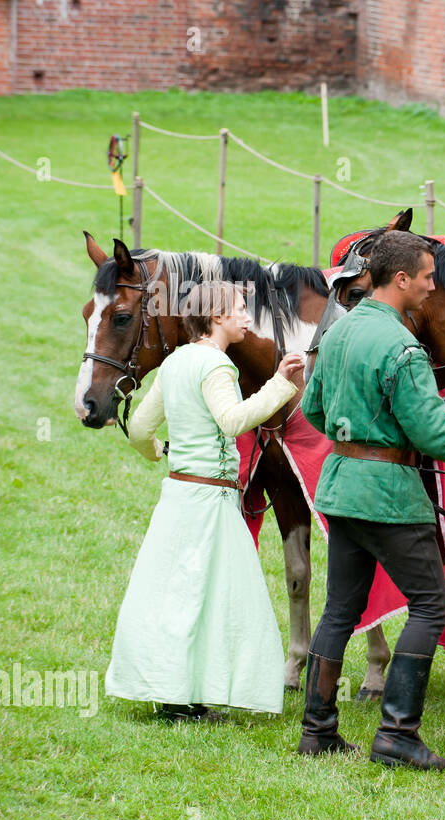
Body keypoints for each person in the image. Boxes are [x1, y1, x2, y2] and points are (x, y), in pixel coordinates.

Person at [298, 230, 445, 771]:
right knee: (432, 605)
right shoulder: (404, 348)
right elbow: (436, 436)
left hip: (339, 485)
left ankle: (317, 730)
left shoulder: (337, 332)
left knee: (338, 610)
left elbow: (312, 407)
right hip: (387, 496)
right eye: (427, 277)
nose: (433, 286)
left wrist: (357, 437)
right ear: (400, 279)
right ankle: (398, 735)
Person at [106, 280, 304, 719]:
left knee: (176, 593)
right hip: (209, 502)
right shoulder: (217, 366)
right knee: (209, 596)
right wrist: (279, 384)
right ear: (216, 317)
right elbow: (233, 421)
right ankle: (183, 697)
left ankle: (178, 692)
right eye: (240, 309)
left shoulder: (176, 363)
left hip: (177, 494)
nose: (248, 317)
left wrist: (159, 451)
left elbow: (138, 428)